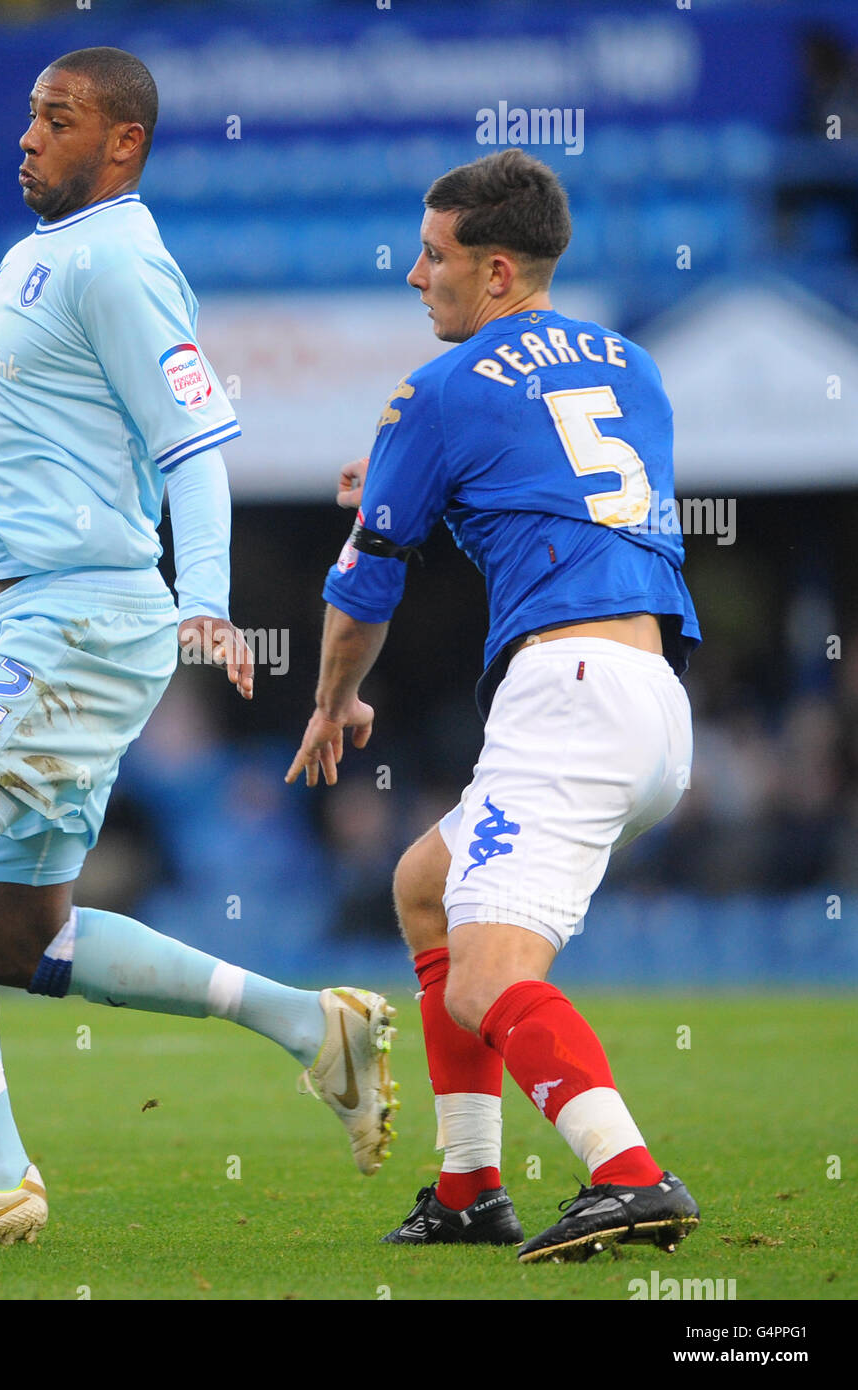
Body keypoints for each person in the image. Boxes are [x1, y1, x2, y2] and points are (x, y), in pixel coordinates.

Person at [0, 47, 396, 1252]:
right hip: (42, 606)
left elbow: (192, 442)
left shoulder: (121, 260)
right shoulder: (40, 254)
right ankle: (315, 1026)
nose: (29, 138)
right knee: (17, 935)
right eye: (30, 118)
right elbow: (54, 461)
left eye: (59, 120)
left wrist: (203, 597)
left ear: (124, 141)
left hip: (88, 615)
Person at [287, 149, 702, 1263]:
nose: (415, 276)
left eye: (433, 256)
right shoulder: (636, 366)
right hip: (654, 695)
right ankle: (467, 1185)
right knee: (425, 886)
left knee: (485, 980)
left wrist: (333, 701)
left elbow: (363, 585)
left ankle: (629, 1174)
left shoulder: (438, 389)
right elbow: (553, 507)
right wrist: (408, 487)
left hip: (565, 697)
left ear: (500, 270)